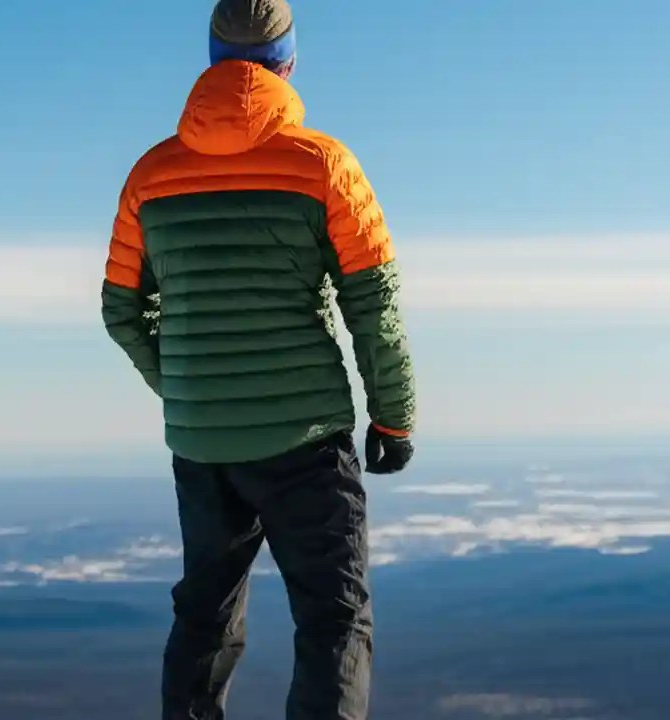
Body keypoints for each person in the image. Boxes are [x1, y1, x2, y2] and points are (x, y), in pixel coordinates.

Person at [101, 1, 416, 717]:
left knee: (204, 615)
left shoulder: (151, 174)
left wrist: (188, 387)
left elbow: (123, 309)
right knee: (334, 619)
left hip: (202, 444)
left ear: (211, 59)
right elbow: (374, 306)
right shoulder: (324, 165)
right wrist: (393, 420)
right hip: (306, 441)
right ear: (290, 63)